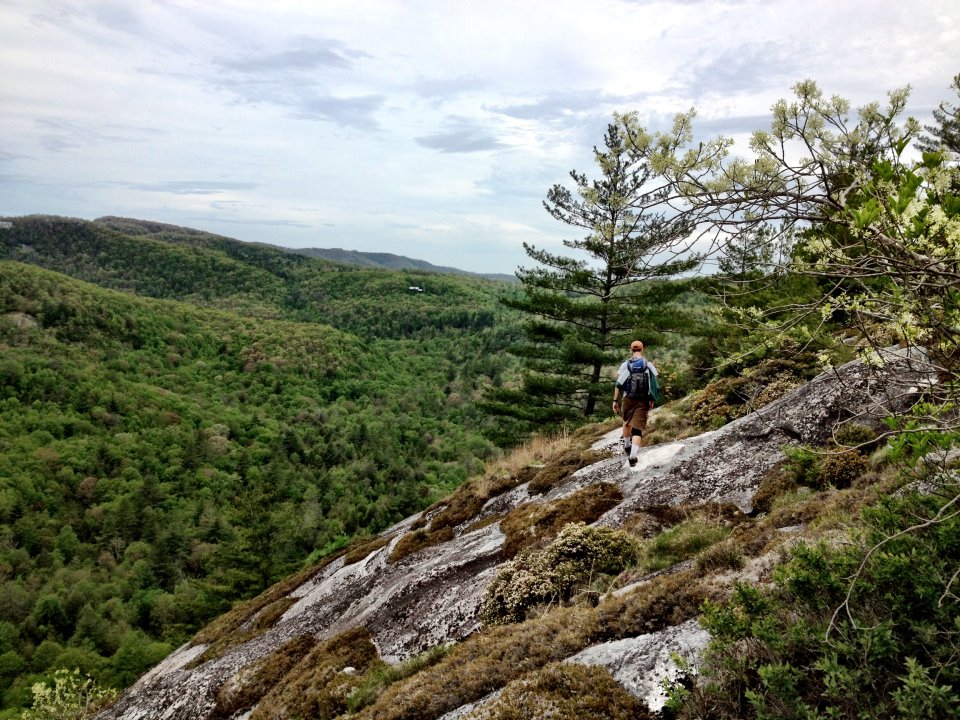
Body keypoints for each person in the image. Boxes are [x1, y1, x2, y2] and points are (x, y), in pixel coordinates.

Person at [612, 340, 660, 467]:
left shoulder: (626, 365)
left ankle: (627, 446)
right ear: (642, 349)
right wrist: (651, 400)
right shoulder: (648, 365)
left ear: (631, 349)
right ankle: (633, 457)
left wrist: (615, 400)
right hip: (643, 400)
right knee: (637, 428)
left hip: (628, 398)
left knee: (626, 421)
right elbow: (654, 384)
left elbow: (618, 384)